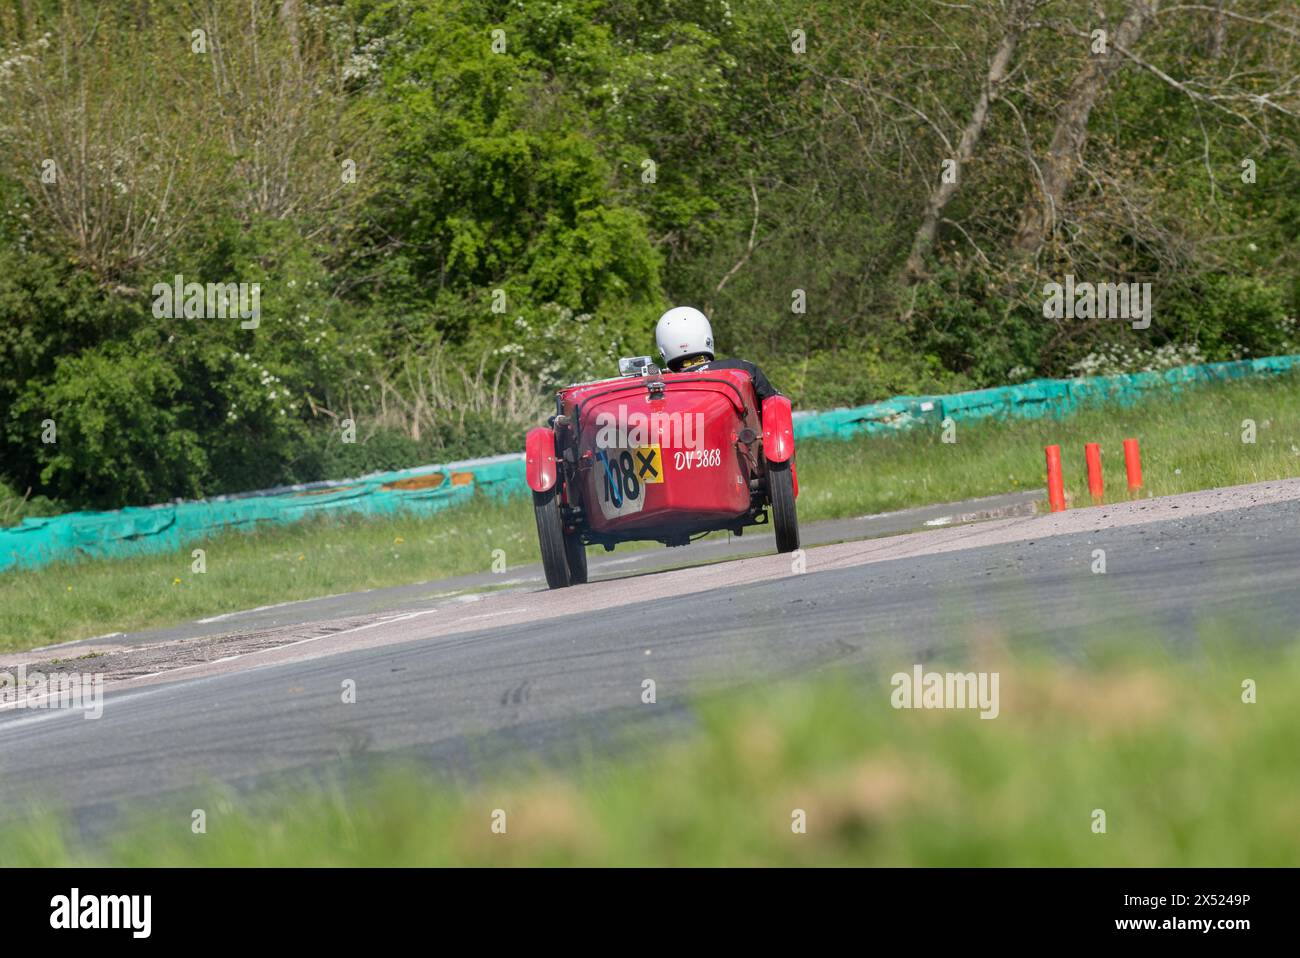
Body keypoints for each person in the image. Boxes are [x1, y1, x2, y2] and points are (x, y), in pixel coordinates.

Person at [653, 306, 780, 403]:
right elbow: (774, 403)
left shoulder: (659, 389)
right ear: (707, 337)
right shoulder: (742, 367)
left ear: (663, 350)